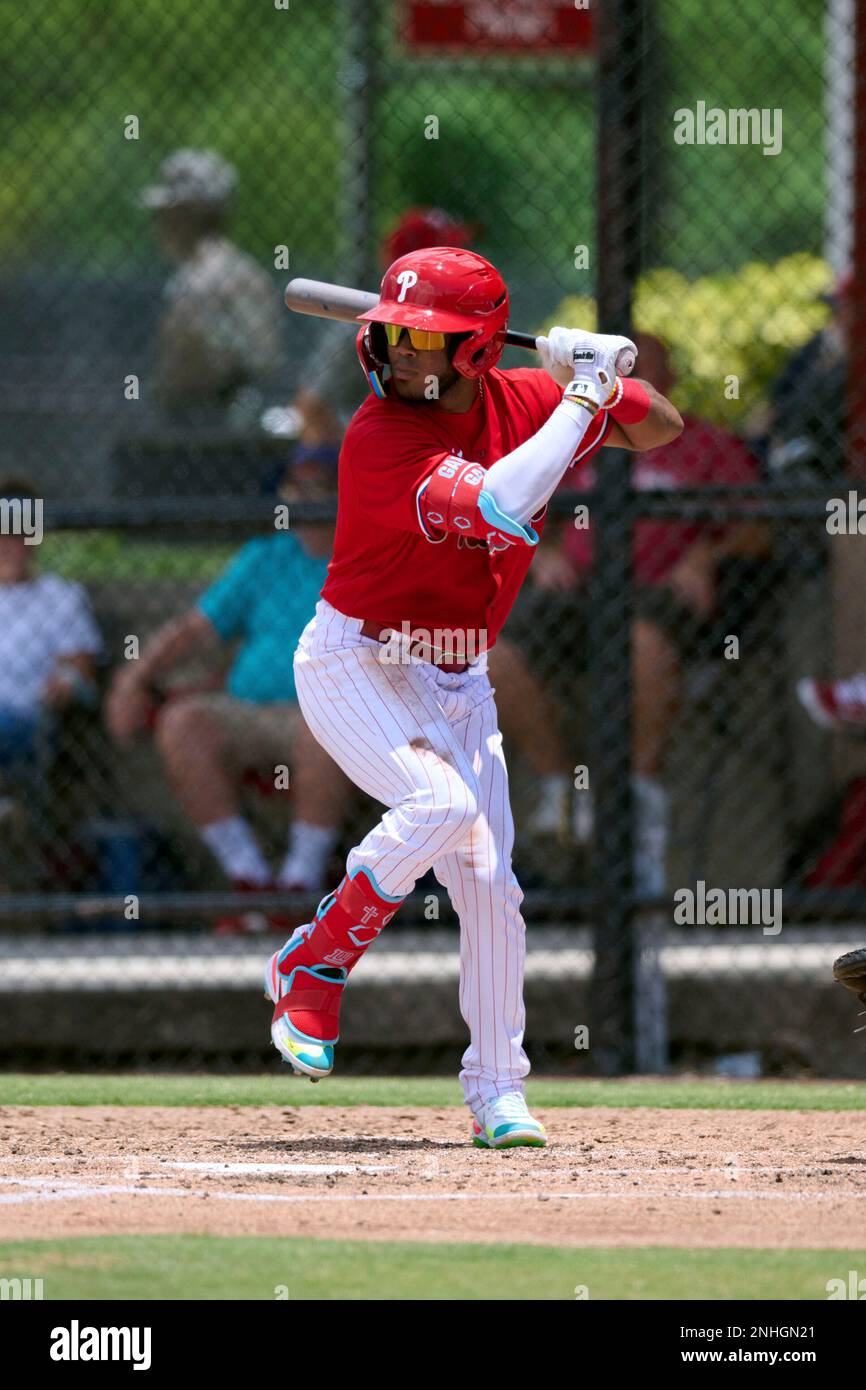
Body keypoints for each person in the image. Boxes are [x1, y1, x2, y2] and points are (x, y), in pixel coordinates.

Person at [262, 248, 681, 1147]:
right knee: (441, 806)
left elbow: (662, 426)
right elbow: (501, 502)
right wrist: (581, 397)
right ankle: (317, 958)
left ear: (478, 351)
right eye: (395, 335)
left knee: (492, 890)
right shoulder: (380, 436)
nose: (401, 353)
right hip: (358, 662)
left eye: (426, 339)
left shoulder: (528, 399)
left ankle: (498, 1092)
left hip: (462, 678)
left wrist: (602, 374)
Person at [492, 333, 767, 893]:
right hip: (580, 592)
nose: (634, 379)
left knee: (644, 639)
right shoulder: (579, 432)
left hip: (660, 593)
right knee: (496, 653)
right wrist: (542, 553)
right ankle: (561, 790)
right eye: (624, 369)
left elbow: (761, 530)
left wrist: (706, 554)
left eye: (646, 370)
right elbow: (517, 505)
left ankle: (637, 804)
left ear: (670, 382)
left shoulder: (703, 443)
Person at [105, 458, 352, 927]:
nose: (304, 501)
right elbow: (194, 630)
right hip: (248, 710)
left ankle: (299, 885)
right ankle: (250, 880)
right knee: (183, 723)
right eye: (294, 490)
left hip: (328, 713)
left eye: (319, 488)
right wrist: (132, 679)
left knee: (326, 726)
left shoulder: (366, 555)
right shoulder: (264, 557)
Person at [290, 208, 476, 470]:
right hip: (373, 458)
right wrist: (373, 456)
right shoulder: (364, 326)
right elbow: (310, 406)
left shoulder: (459, 327)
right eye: (452, 257)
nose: (467, 264)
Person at [139, 149, 283, 422]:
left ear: (188, 215)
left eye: (165, 213)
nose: (158, 224)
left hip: (210, 418)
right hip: (231, 414)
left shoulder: (198, 280)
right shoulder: (245, 269)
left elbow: (250, 360)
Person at [0, 478, 101, 799]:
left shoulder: (60, 596)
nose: (12, 543)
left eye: (21, 532)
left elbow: (81, 669)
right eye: (4, 532)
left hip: (24, 718)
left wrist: (66, 683)